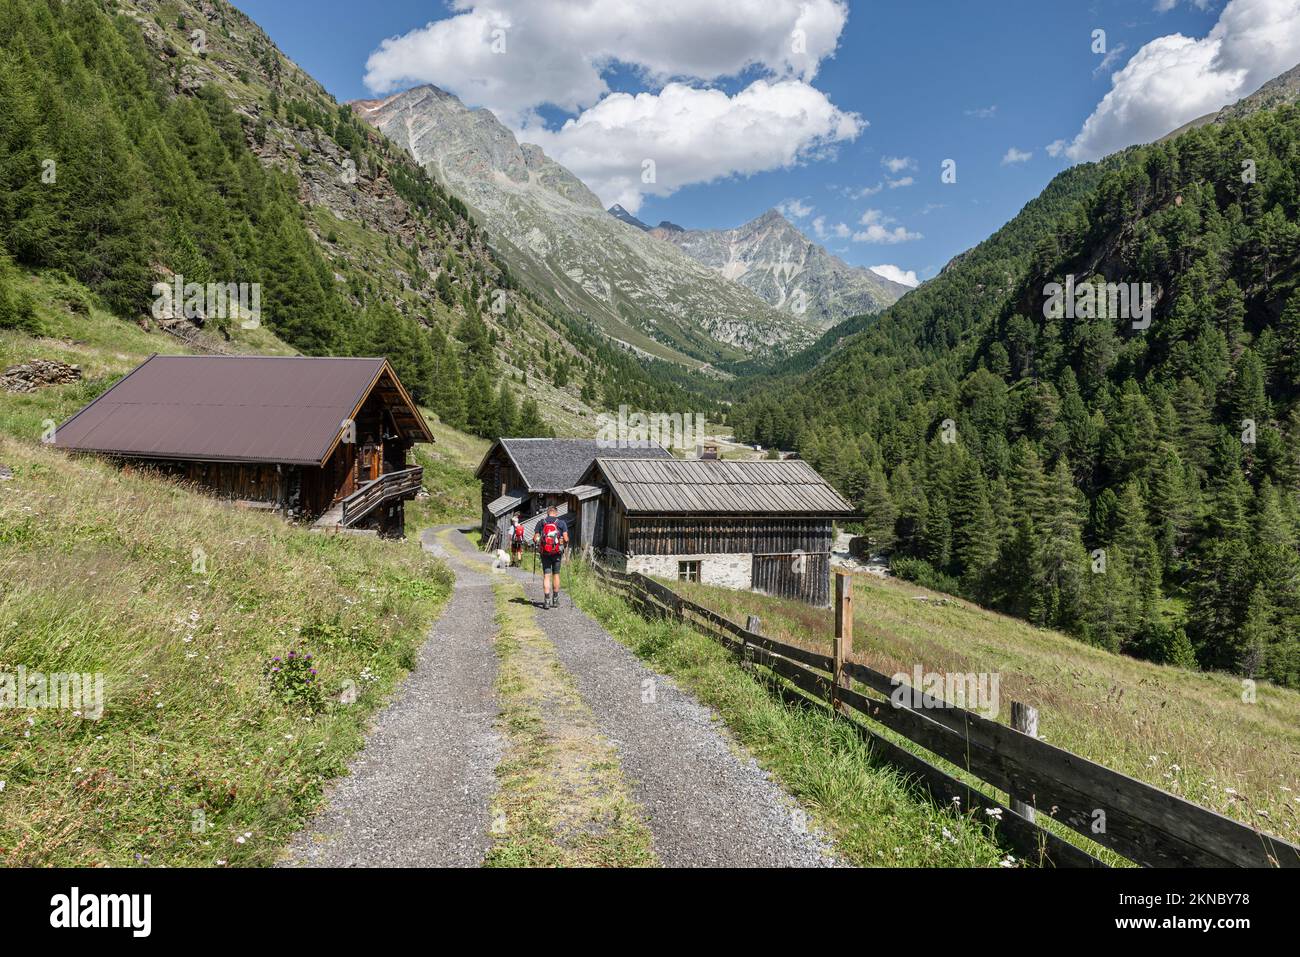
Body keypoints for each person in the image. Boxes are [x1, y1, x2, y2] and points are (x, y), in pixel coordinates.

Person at [533, 504, 569, 609]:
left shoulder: (541, 523)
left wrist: (540, 541)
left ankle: (547, 601)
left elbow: (535, 538)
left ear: (547, 512)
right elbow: (566, 539)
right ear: (556, 513)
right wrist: (564, 544)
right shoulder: (561, 523)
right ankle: (555, 600)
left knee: (547, 576)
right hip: (557, 553)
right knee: (556, 575)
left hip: (545, 553)